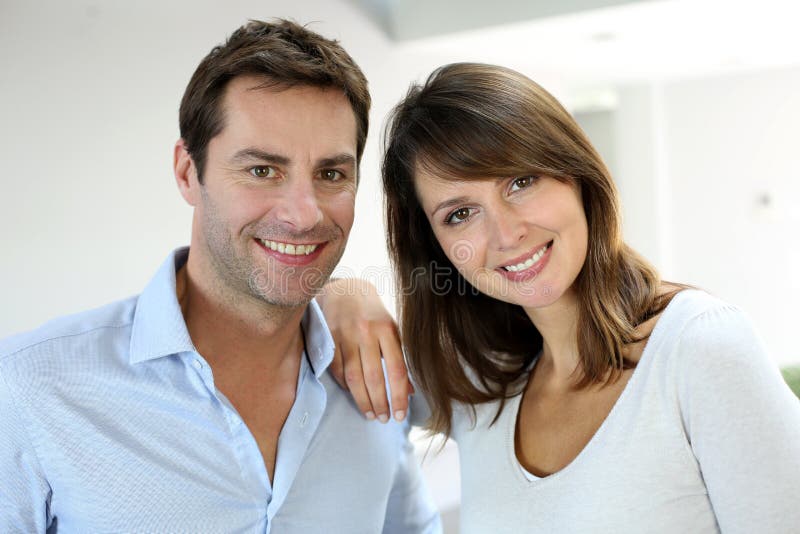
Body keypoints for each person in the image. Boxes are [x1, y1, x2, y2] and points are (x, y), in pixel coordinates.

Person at [0, 20, 440, 533]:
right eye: (262, 170)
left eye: (330, 174)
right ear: (188, 172)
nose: (303, 214)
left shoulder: (373, 384)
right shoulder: (30, 389)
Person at [319, 62, 800, 533]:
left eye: (520, 182)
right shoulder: (478, 386)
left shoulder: (700, 348)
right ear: (438, 248)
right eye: (461, 213)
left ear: (576, 175)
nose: (506, 233)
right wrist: (343, 291)